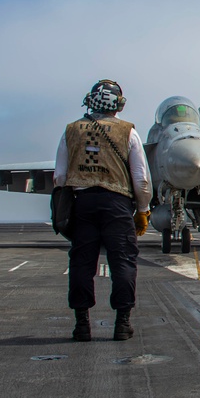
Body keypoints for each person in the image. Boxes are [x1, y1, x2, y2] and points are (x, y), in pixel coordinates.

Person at [54, 79, 152, 342]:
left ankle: (81, 325)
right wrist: (142, 210)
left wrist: (64, 207)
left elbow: (60, 176)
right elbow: (141, 178)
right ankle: (122, 324)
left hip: (82, 205)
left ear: (89, 100)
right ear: (119, 104)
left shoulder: (71, 130)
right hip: (117, 206)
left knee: (81, 264)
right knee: (123, 263)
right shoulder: (128, 132)